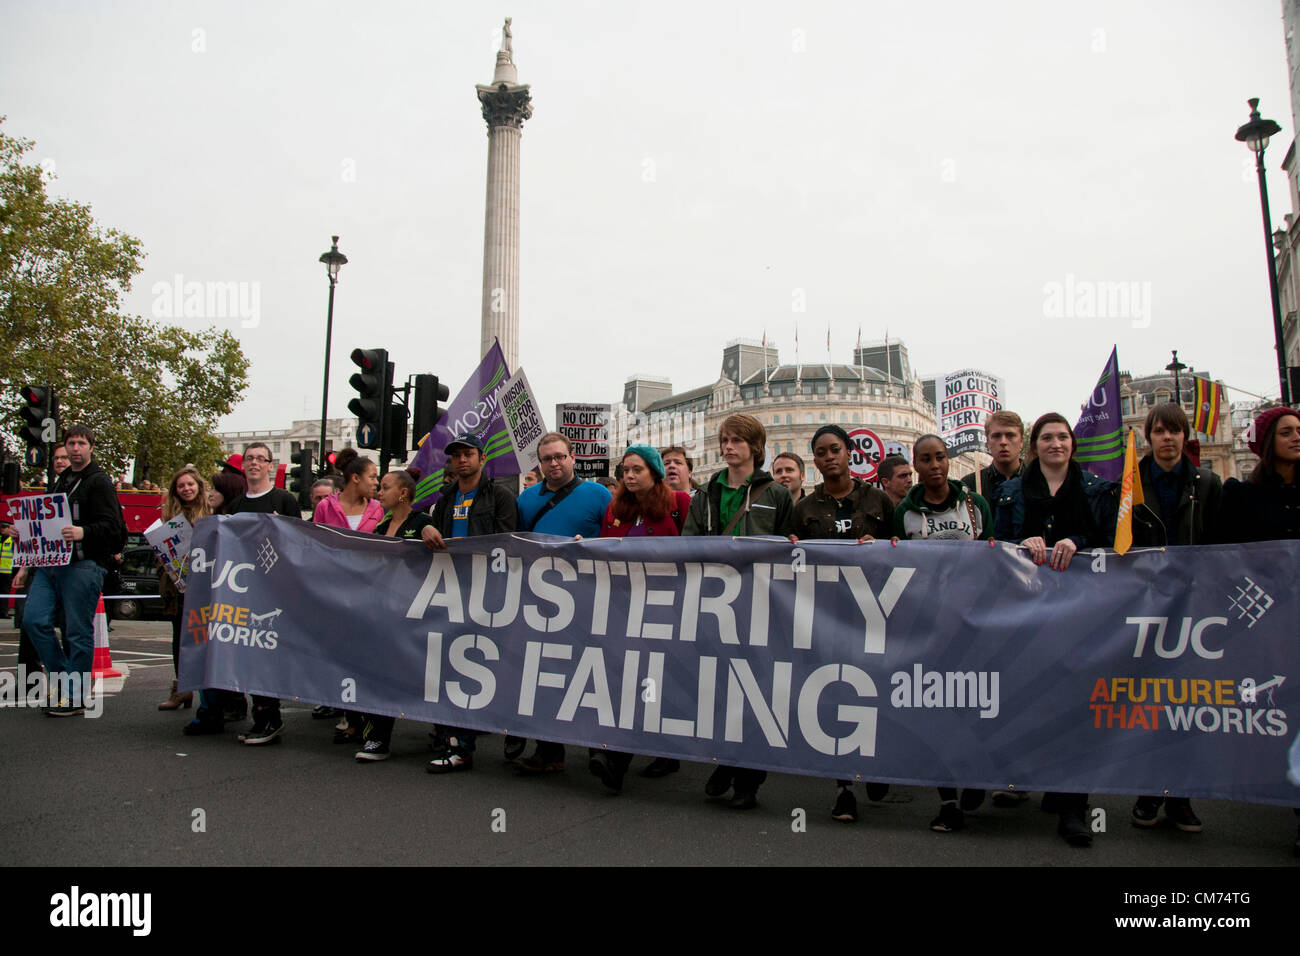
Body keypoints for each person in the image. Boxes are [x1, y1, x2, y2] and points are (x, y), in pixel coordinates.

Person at [993, 412, 1118, 847]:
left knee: (1075, 705)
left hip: (1082, 614)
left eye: (1063, 437)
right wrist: (1021, 546)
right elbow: (997, 549)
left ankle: (1073, 806)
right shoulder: (1010, 492)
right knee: (1033, 702)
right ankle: (1043, 779)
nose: (1056, 444)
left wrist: (1077, 543)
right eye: (1047, 437)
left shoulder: (1098, 491)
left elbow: (1113, 543)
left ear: (1072, 444)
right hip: (1028, 614)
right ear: (1035, 445)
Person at [684, 413, 792, 808]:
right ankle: (726, 760)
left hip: (759, 606)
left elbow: (789, 548)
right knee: (718, 689)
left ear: (755, 448)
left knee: (753, 692)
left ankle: (748, 780)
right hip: (714, 603)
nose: (728, 447)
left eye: (737, 441)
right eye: (725, 440)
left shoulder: (776, 495)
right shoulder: (705, 495)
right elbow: (688, 544)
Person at [1123, 403, 1222, 832]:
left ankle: (1180, 797)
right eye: (1159, 431)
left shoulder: (1209, 484)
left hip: (1196, 608)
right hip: (1147, 607)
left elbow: (1222, 544)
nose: (1167, 438)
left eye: (1174, 431)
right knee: (1150, 704)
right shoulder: (1131, 484)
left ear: (1185, 436)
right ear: (1148, 436)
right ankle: (1149, 790)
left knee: (1188, 705)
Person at [789, 424, 895, 823]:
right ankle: (843, 787)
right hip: (828, 615)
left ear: (849, 452)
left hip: (876, 613)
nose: (829, 456)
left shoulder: (881, 502)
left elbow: (906, 555)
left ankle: (878, 765)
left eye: (835, 449)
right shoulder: (805, 509)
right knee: (837, 694)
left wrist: (882, 549)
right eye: (821, 452)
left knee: (877, 691)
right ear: (814, 459)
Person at [893, 434, 993, 832]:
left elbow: (996, 555)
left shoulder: (975, 504)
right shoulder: (904, 511)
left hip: (973, 621)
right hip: (928, 624)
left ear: (948, 462)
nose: (934, 465)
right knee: (937, 711)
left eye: (940, 457)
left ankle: (975, 775)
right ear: (915, 464)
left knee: (973, 706)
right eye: (925, 459)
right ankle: (947, 798)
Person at [1213, 405, 1300, 856]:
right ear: (1268, 442)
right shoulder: (1243, 496)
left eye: (1298, 431)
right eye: (1286, 432)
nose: (1296, 437)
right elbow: (1228, 556)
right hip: (1269, 620)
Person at [588, 445, 691, 793]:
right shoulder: (615, 507)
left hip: (665, 609)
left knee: (651, 682)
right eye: (625, 470)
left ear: (655, 472)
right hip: (622, 608)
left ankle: (639, 752)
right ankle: (611, 753)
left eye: (637, 470)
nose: (629, 476)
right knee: (622, 679)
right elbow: (604, 549)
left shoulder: (680, 505)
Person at [511, 432, 612, 774]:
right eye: (546, 459)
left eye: (559, 457)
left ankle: (601, 748)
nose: (553, 464)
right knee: (544, 673)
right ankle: (549, 750)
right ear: (539, 464)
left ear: (573, 457)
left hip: (588, 598)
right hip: (542, 601)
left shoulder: (598, 494)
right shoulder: (525, 499)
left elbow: (615, 540)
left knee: (591, 674)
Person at [420, 433, 519, 773]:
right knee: (451, 667)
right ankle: (456, 743)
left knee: (489, 667)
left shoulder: (501, 496)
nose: (462, 460)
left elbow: (507, 545)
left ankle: (501, 732)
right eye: (456, 455)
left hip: (489, 594)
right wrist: (427, 530)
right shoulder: (445, 499)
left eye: (468, 454)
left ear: (481, 457)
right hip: (452, 591)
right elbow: (431, 531)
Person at [22, 426, 126, 716]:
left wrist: (83, 532)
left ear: (91, 446)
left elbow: (115, 529)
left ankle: (74, 695)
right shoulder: (59, 482)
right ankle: (65, 678)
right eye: (71, 443)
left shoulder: (99, 482)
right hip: (50, 565)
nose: (75, 448)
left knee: (78, 632)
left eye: (81, 443)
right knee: (33, 620)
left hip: (83, 565)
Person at [213, 442, 302, 744]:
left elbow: (298, 544)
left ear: (269, 465)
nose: (253, 463)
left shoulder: (284, 499)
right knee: (249, 655)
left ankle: (270, 718)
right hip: (244, 590)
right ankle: (260, 718)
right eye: (249, 459)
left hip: (274, 591)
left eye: (259, 459)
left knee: (267, 656)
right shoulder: (236, 506)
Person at [354, 467, 437, 762]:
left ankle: (442, 735)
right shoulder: (379, 528)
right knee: (380, 674)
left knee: (426, 675)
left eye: (386, 487)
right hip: (384, 615)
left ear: (403, 493)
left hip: (416, 614)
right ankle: (376, 737)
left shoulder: (424, 522)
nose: (379, 492)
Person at [158, 466, 211, 711]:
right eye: (181, 486)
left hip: (206, 584)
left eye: (190, 484)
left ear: (199, 486)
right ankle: (181, 689)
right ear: (175, 491)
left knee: (205, 639)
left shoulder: (210, 512)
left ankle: (211, 695)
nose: (186, 489)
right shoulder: (169, 516)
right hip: (177, 585)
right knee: (179, 637)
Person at [962, 410, 1026, 504]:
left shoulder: (1039, 481)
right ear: (987, 441)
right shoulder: (971, 484)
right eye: (996, 436)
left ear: (1021, 441)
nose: (1003, 442)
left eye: (1010, 435)